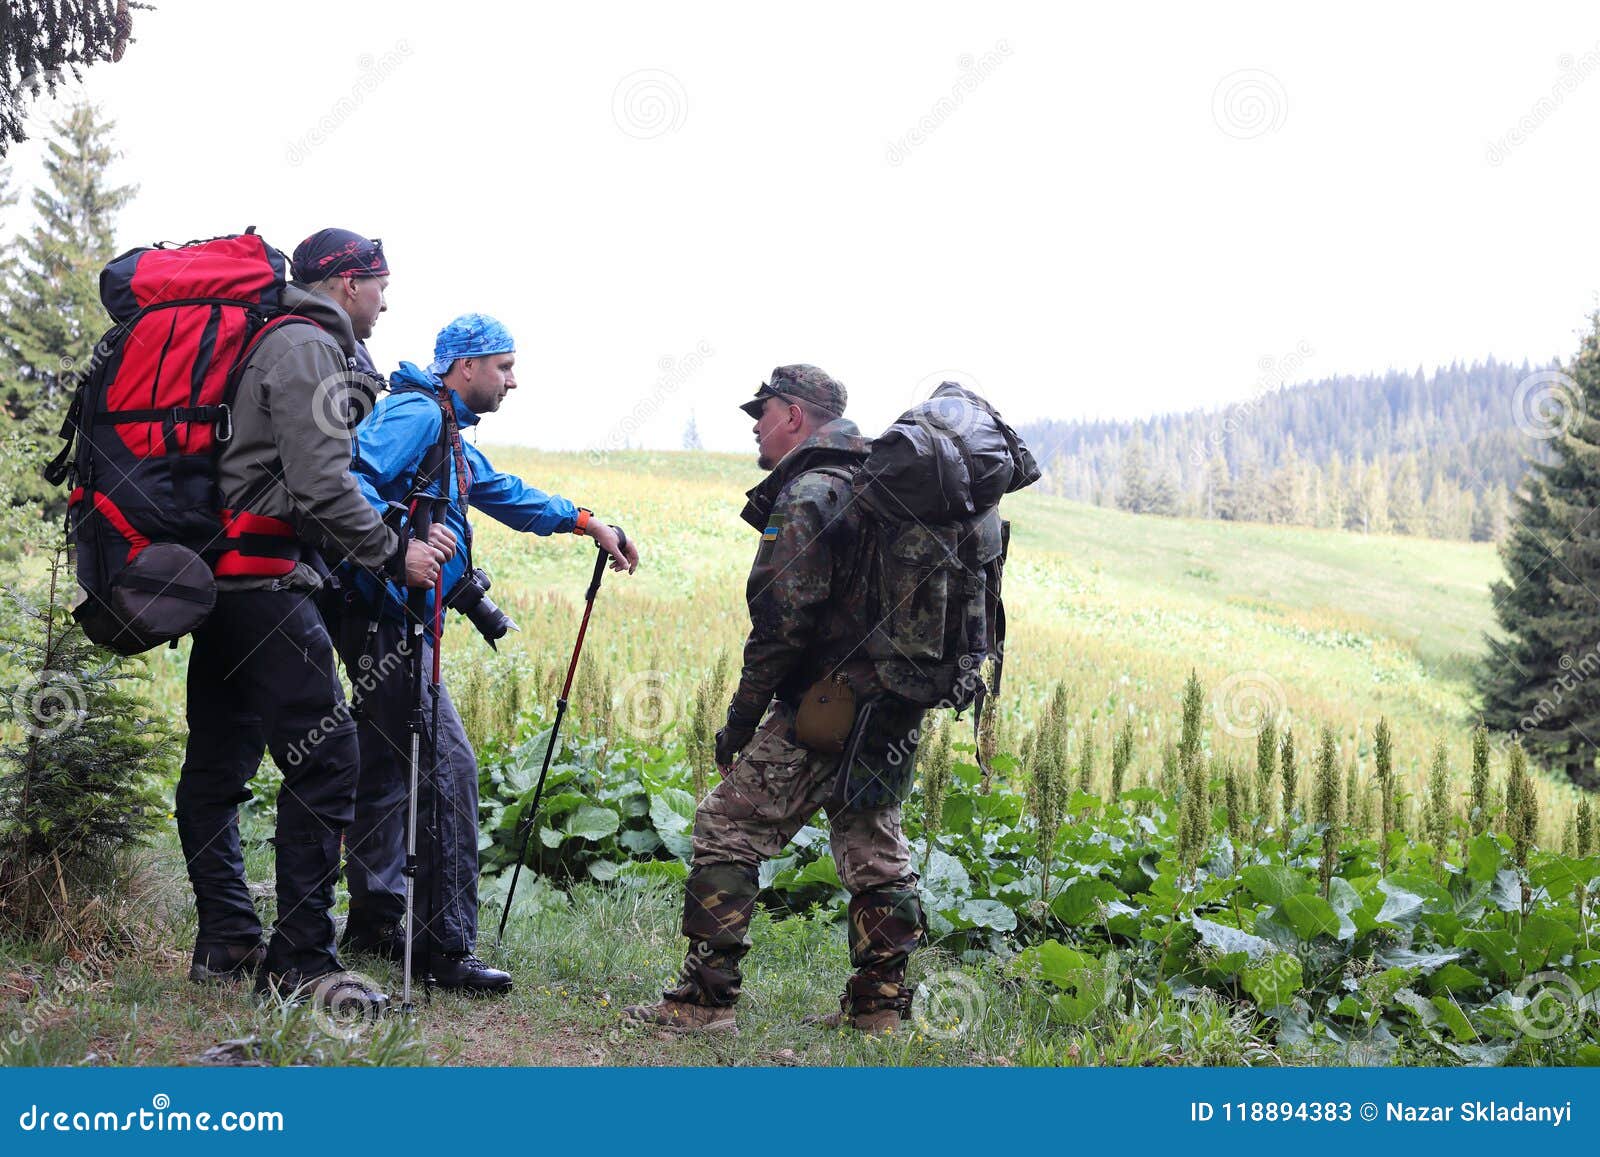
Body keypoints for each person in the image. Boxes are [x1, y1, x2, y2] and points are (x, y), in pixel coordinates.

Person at [177, 228, 446, 1002]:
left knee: (217, 770)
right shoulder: (306, 346)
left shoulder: (278, 339)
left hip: (226, 591)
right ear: (346, 281)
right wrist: (394, 553)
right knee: (329, 761)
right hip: (266, 587)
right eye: (379, 284)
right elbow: (323, 485)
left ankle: (228, 936)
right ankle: (298, 958)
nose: (385, 301)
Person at [334, 312, 640, 992]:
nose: (512, 379)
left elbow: (508, 495)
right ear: (464, 367)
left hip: (387, 617)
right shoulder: (415, 415)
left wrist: (587, 521)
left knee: (386, 769)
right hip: (387, 619)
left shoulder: (445, 433)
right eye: (502, 366)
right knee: (448, 769)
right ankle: (446, 947)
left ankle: (376, 920)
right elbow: (347, 478)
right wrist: (398, 543)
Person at [623, 365, 926, 1036]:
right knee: (874, 847)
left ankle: (705, 1002)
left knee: (727, 826)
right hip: (894, 709)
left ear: (794, 415)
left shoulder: (810, 493)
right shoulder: (879, 486)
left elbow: (782, 622)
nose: (755, 426)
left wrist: (739, 721)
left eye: (761, 413)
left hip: (825, 707)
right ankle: (879, 1009)